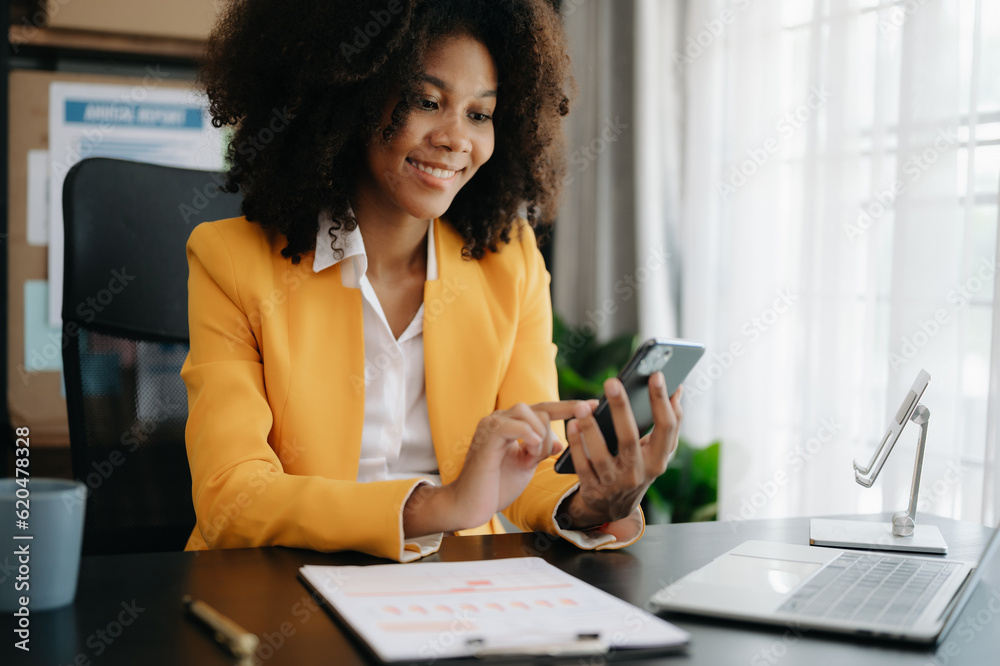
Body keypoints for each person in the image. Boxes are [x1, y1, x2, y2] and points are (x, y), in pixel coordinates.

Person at [182, 0, 684, 562]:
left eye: (479, 113)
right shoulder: (230, 260)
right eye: (427, 101)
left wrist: (594, 502)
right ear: (348, 97)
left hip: (453, 600)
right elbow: (231, 495)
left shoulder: (509, 262)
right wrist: (441, 506)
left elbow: (532, 465)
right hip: (279, 591)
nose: (455, 139)